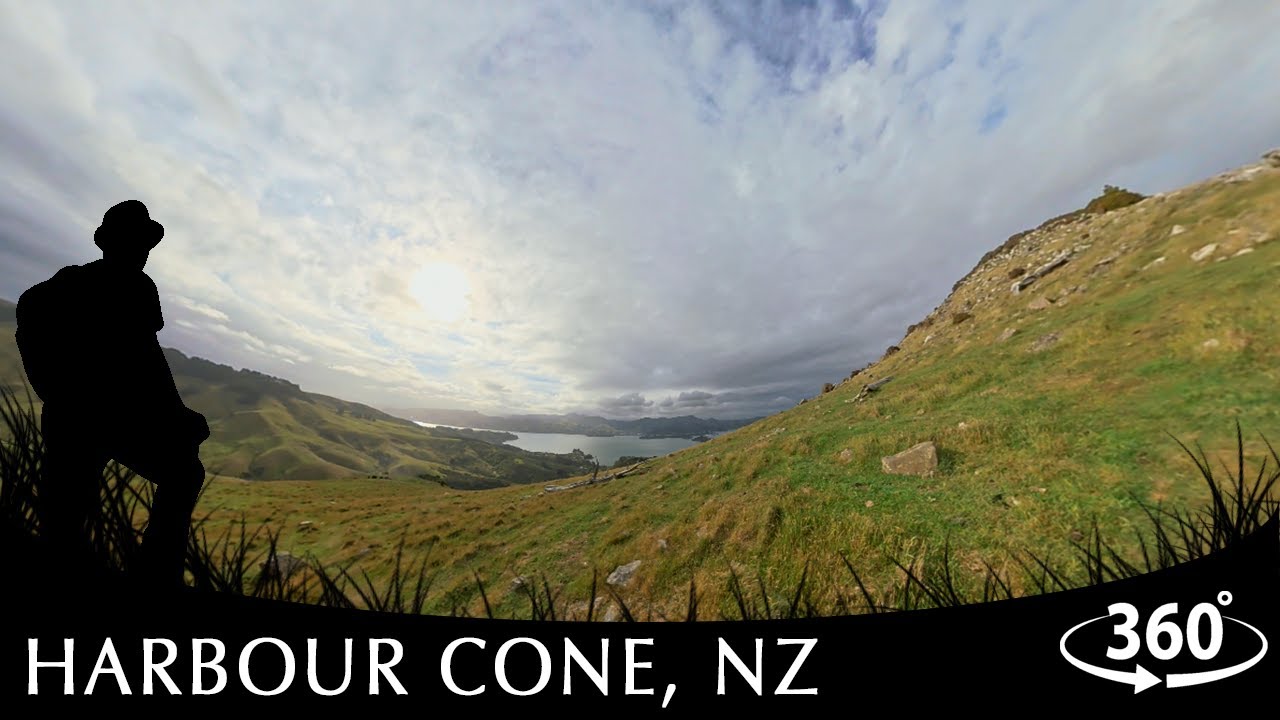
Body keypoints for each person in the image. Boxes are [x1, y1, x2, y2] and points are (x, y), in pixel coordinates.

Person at [15, 199, 210, 589]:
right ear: (112, 242)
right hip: (85, 420)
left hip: (108, 419)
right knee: (68, 513)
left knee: (183, 472)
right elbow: (28, 317)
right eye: (137, 243)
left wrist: (177, 414)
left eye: (145, 245)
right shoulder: (77, 283)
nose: (143, 253)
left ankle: (155, 573)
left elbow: (147, 358)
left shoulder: (135, 287)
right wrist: (55, 390)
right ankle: (152, 576)